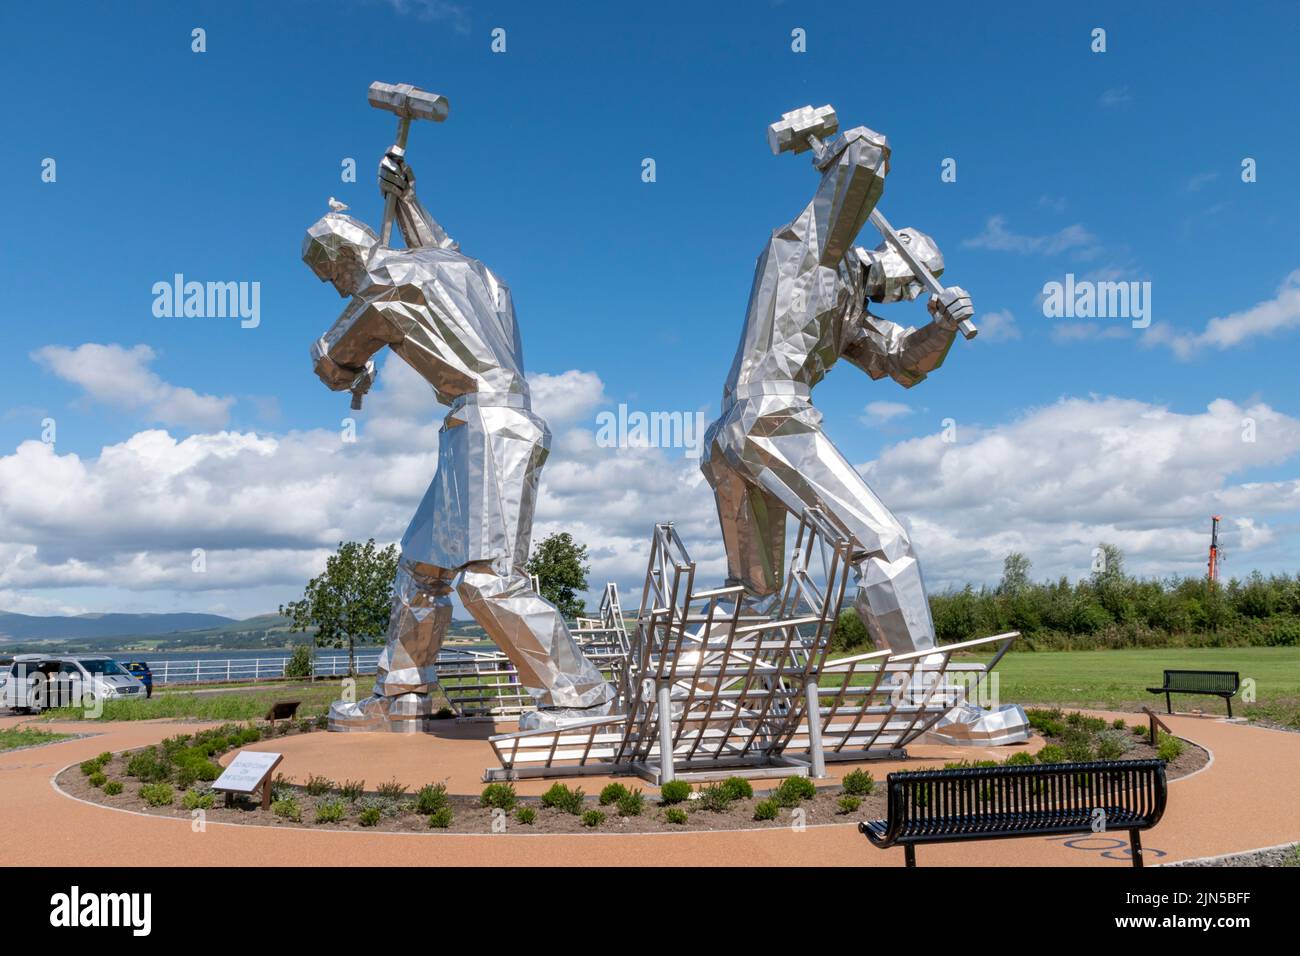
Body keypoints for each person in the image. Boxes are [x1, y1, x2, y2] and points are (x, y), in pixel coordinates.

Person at [302, 146, 614, 731]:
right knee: (420, 571)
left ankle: (580, 696)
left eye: (332, 276)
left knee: (486, 578)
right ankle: (402, 692)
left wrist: (353, 368)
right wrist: (411, 200)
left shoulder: (383, 284)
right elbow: (442, 252)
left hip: (486, 428)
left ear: (344, 258)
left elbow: (331, 358)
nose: (338, 287)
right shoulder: (474, 274)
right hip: (483, 426)